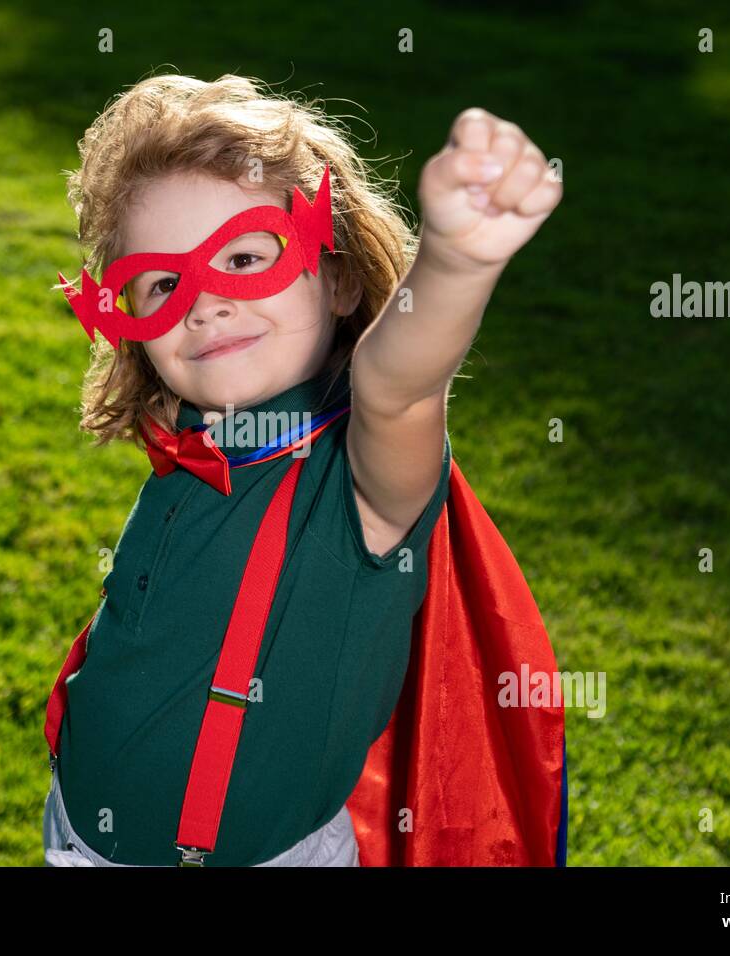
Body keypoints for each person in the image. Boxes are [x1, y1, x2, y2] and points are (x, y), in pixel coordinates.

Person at [44, 73, 564, 867]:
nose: (206, 303)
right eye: (162, 285)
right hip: (78, 835)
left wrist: (455, 260)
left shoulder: (362, 481)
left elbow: (400, 383)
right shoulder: (202, 435)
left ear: (340, 274)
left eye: (247, 256)